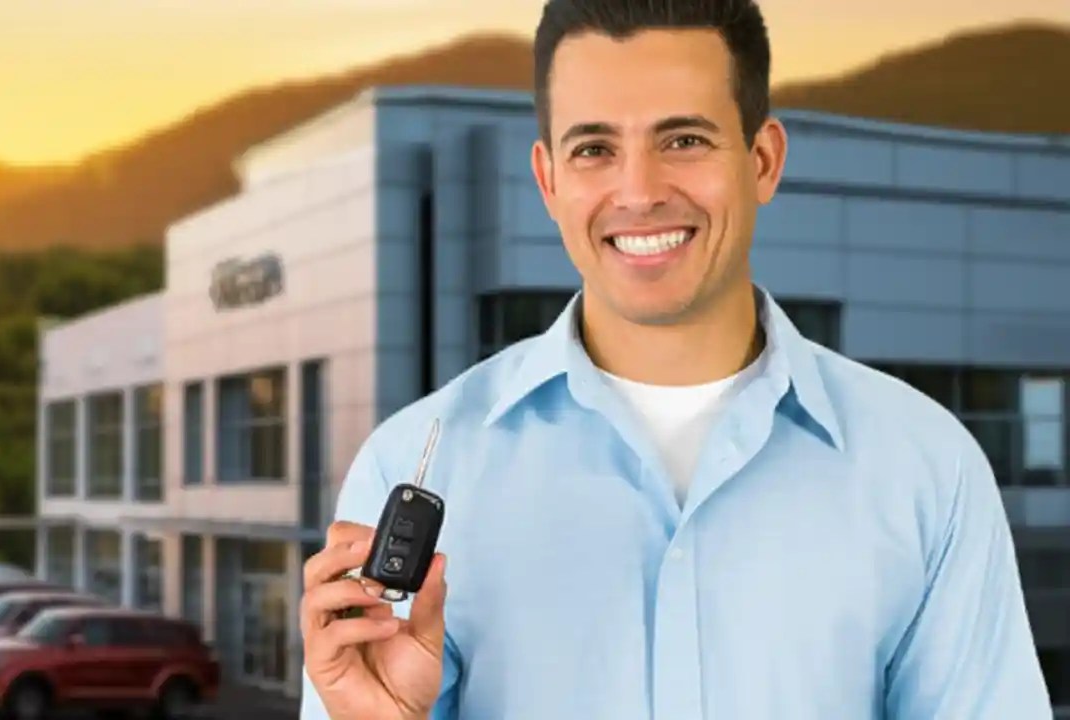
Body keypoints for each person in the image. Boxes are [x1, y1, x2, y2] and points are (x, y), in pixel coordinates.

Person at [297, 0, 1054, 717]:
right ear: (548, 180)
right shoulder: (414, 466)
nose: (640, 191)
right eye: (595, 148)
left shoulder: (926, 467)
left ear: (762, 160)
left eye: (683, 140)